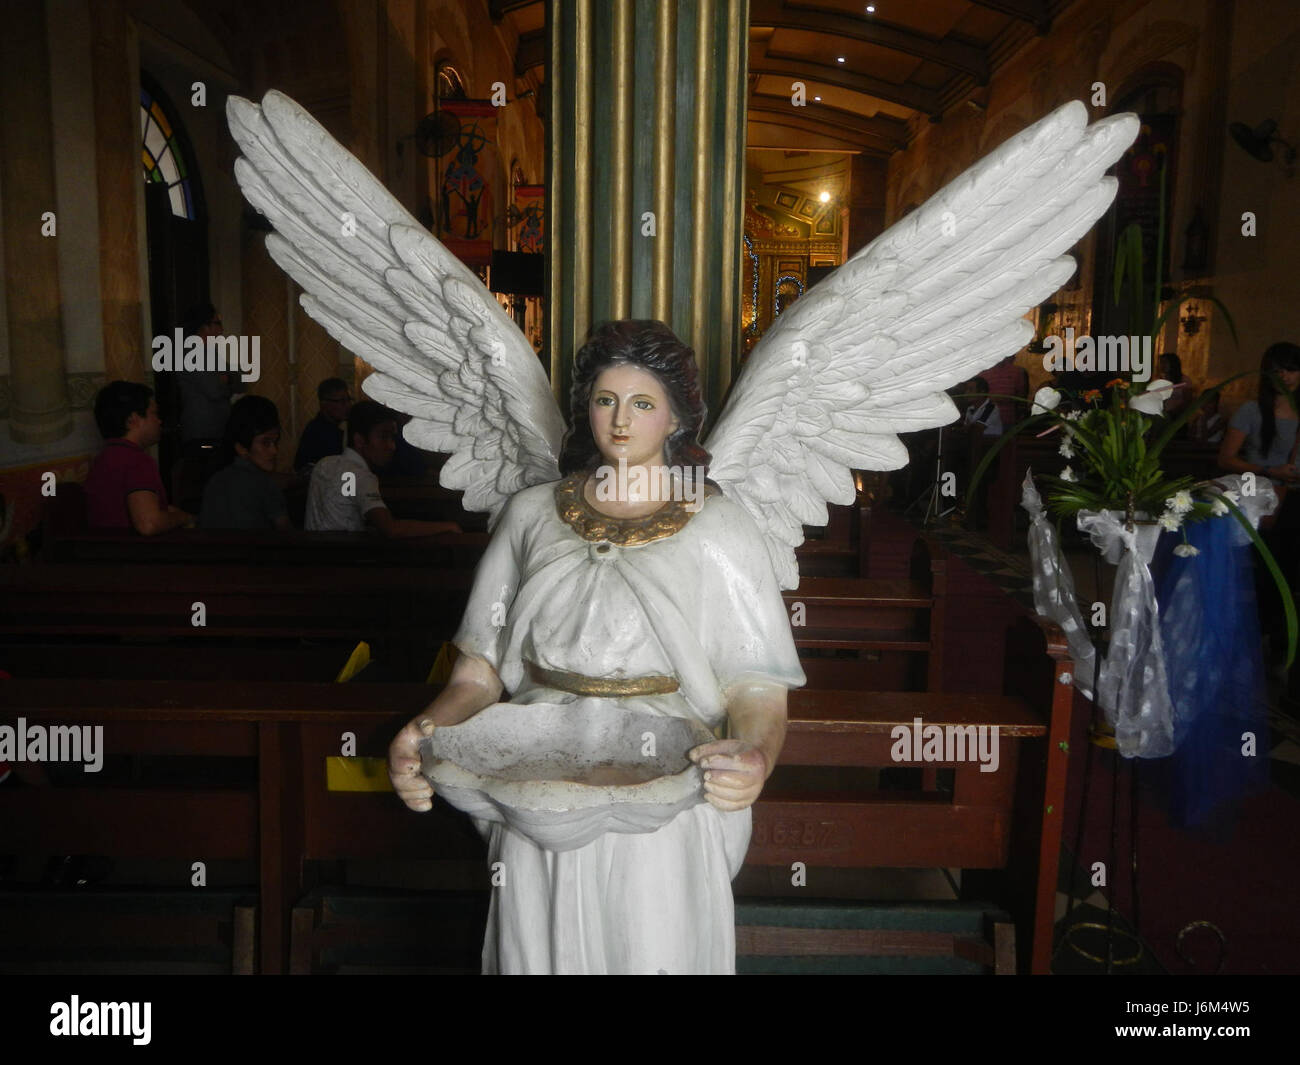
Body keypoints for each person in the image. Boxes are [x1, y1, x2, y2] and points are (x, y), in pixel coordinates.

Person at [386, 321, 804, 973]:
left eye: (642, 403)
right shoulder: (530, 515)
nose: (619, 420)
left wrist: (755, 754)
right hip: (535, 764)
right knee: (538, 948)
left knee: (650, 942)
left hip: (665, 770)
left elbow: (756, 685)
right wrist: (426, 729)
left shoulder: (719, 525)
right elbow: (479, 672)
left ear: (674, 418)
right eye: (605, 399)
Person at [304, 400, 458, 537]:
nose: (392, 446)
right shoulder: (360, 476)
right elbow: (391, 529)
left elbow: (346, 501)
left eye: (392, 437)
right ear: (359, 440)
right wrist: (446, 526)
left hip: (311, 561)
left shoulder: (324, 464)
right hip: (344, 564)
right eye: (384, 437)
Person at [84, 381, 194, 535]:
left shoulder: (102, 459)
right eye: (154, 413)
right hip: (132, 554)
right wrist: (184, 518)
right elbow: (148, 524)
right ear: (133, 420)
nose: (159, 421)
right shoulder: (135, 461)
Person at [199, 395, 291, 531]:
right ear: (241, 448)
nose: (274, 451)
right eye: (266, 443)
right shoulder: (263, 484)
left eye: (275, 442)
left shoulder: (216, 479)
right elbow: (287, 534)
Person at [1218, 342, 1300, 488]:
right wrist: (1270, 471)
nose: (1284, 377)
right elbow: (1226, 459)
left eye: (1291, 370)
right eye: (1277, 371)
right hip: (1259, 490)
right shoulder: (1251, 410)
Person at [293, 377, 352, 473]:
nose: (348, 405)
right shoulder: (315, 431)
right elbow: (303, 468)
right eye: (342, 401)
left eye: (349, 400)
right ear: (324, 403)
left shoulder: (343, 427)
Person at [1158, 352, 1196, 421]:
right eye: (1161, 362)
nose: (1162, 365)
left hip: (1177, 417)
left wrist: (1174, 411)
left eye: (1165, 362)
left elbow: (1188, 400)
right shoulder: (1161, 380)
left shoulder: (1184, 380)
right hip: (1163, 416)